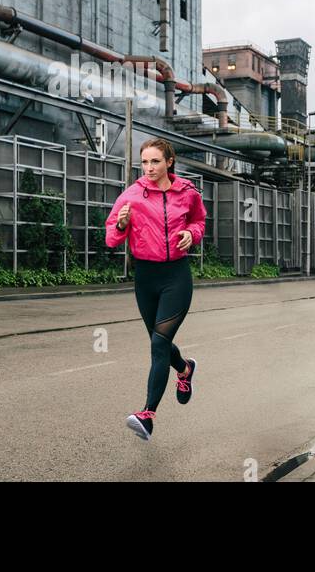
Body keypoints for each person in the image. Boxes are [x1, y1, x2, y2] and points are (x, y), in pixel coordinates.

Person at [105, 138, 207, 441]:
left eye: (155, 162)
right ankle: (185, 369)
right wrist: (122, 225)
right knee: (158, 341)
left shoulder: (188, 193)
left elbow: (200, 220)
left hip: (176, 276)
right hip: (145, 277)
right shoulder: (131, 196)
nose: (149, 168)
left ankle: (146, 415)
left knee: (159, 343)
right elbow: (111, 238)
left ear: (169, 162)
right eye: (145, 162)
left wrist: (192, 233)